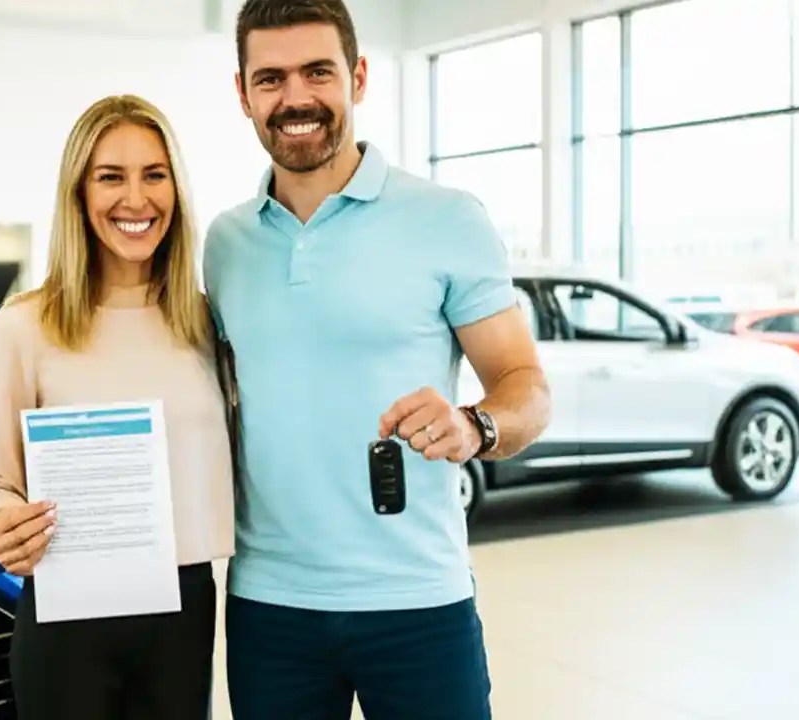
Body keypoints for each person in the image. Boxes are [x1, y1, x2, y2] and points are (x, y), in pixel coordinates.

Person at [202, 1, 552, 718]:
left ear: (357, 78)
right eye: (270, 78)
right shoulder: (225, 243)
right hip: (270, 607)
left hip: (418, 601)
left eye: (317, 72)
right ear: (242, 94)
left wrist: (475, 427)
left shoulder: (448, 219)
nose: (295, 98)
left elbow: (526, 387)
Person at [0, 94, 235, 720]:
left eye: (154, 175)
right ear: (79, 194)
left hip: (183, 609)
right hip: (69, 615)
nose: (135, 200)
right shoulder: (24, 326)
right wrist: (5, 521)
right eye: (110, 177)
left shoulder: (204, 320)